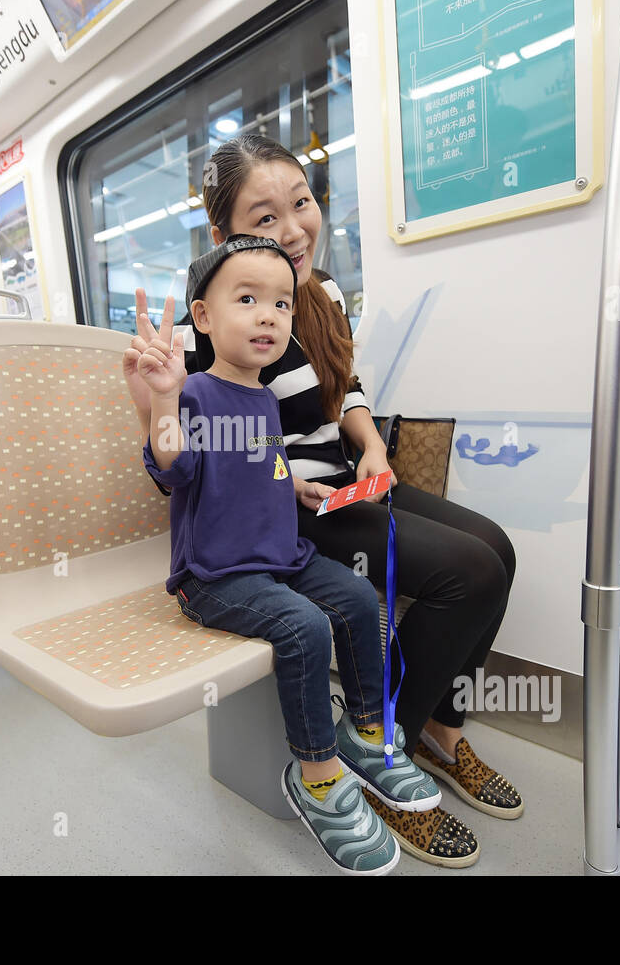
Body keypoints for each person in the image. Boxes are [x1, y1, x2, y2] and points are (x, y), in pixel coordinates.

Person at [125, 134, 518, 866]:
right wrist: (158, 399)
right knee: (468, 572)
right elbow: (177, 462)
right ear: (224, 238)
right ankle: (378, 750)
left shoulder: (323, 291)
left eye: (300, 204)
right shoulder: (205, 326)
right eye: (264, 217)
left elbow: (345, 388)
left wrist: (369, 443)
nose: (292, 229)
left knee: (497, 547)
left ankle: (438, 726)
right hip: (293, 508)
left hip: (341, 480)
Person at [132, 234, 443, 875]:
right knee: (304, 626)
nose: (269, 314)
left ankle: (364, 731)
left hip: (278, 554)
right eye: (247, 299)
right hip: (215, 575)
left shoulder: (266, 398)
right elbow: (176, 467)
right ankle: (318, 775)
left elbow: (258, 462)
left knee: (359, 598)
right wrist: (162, 396)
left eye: (282, 303)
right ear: (204, 318)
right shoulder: (194, 394)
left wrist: (291, 481)